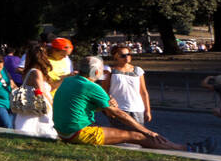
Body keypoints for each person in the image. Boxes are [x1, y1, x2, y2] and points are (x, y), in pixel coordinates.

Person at [54, 57, 195, 151]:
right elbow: (118, 114)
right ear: (96, 72)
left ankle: (180, 147)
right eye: (102, 70)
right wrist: (146, 130)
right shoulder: (92, 87)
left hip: (63, 131)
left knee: (133, 134)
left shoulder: (70, 80)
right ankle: (183, 148)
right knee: (136, 136)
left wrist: (104, 107)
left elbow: (80, 106)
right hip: (77, 133)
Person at [13, 43, 57, 139]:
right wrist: (52, 103)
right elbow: (40, 90)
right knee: (41, 128)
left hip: (30, 104)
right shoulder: (36, 72)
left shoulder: (28, 71)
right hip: (39, 104)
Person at [101, 45, 151, 124]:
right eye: (123, 55)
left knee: (137, 135)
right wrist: (107, 108)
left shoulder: (138, 70)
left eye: (128, 54)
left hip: (137, 109)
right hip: (118, 109)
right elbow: (104, 90)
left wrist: (147, 110)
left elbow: (143, 92)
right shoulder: (108, 70)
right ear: (115, 56)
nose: (127, 57)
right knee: (121, 135)